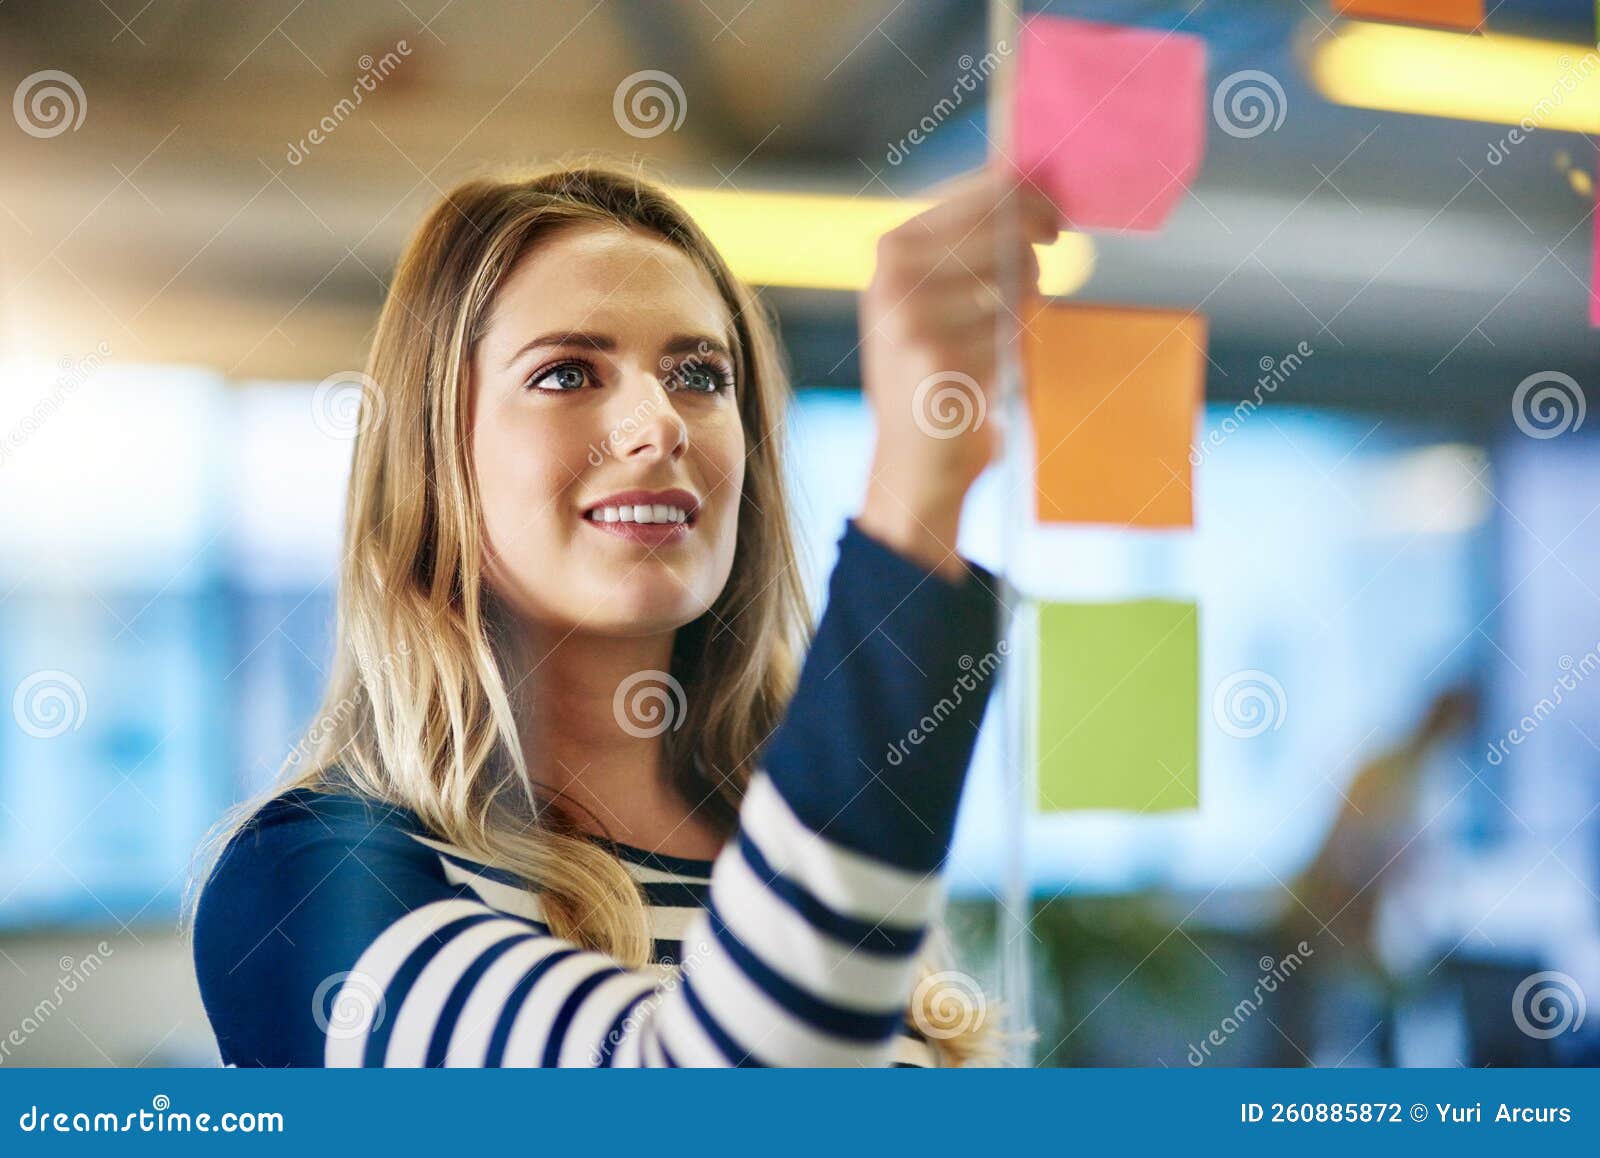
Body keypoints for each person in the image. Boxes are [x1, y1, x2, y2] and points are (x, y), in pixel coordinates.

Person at [188, 160, 1061, 1067]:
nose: (659, 423)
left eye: (698, 375)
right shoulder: (306, 888)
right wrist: (917, 497)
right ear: (435, 454)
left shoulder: (790, 837)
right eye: (567, 373)